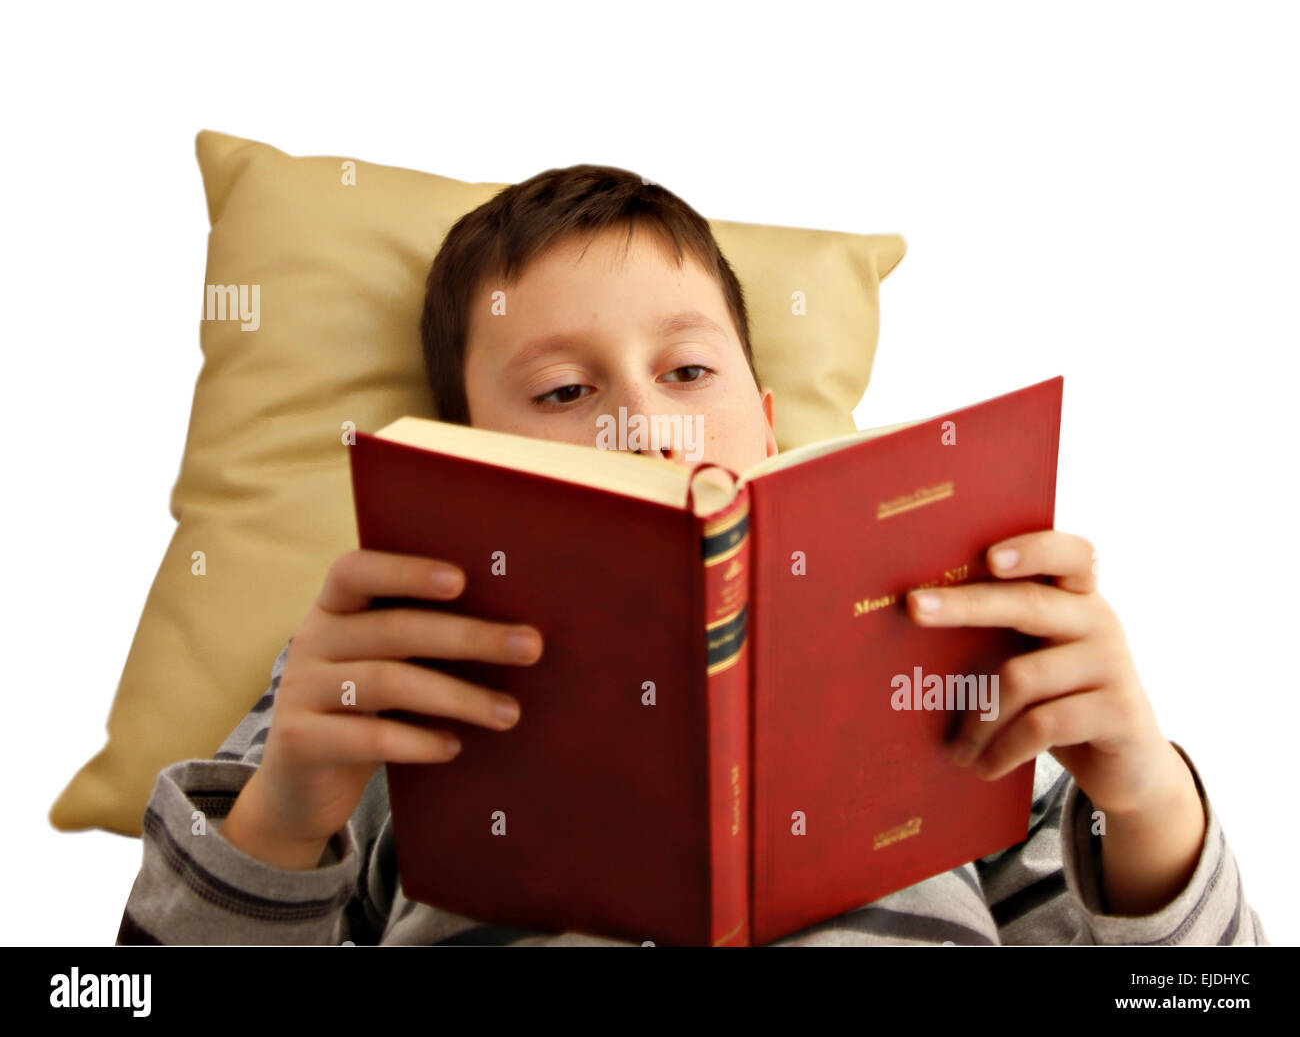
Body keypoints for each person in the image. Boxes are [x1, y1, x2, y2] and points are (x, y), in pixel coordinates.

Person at [117, 165, 1267, 945]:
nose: (645, 425)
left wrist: (1147, 792)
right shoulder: (372, 656)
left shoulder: (953, 641)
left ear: (768, 423)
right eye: (565, 390)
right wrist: (283, 811)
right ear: (457, 460)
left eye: (688, 373)